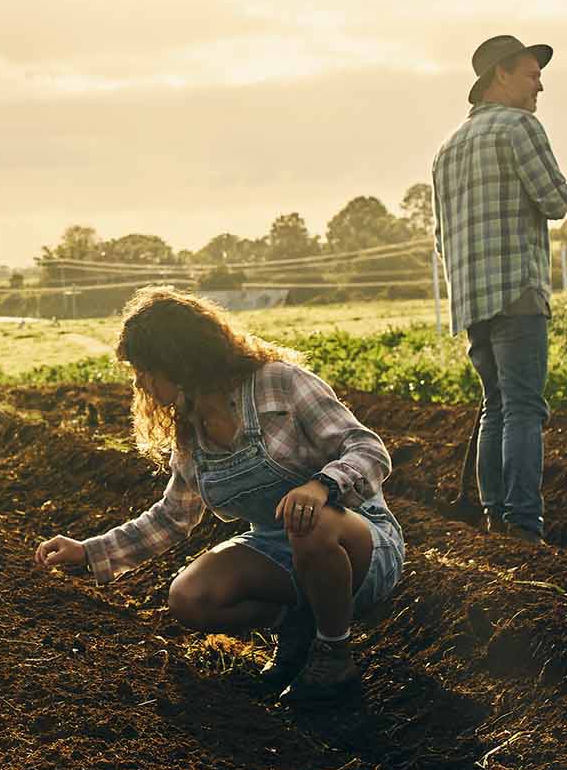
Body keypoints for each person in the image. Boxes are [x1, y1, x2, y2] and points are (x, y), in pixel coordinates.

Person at [32, 287, 405, 704]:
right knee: (190, 597)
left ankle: (334, 655)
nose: (139, 381)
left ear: (177, 359)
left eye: (144, 368)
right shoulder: (191, 431)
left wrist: (321, 486)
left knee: (310, 521)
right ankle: (299, 627)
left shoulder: (278, 384)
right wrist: (88, 552)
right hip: (279, 549)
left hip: (359, 544)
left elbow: (368, 449)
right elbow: (171, 517)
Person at [432, 33, 567, 541]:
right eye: (533, 74)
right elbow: (556, 200)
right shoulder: (521, 128)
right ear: (501, 75)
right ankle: (523, 524)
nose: (540, 86)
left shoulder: (446, 149)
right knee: (524, 408)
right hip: (517, 290)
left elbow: (441, 237)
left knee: (496, 405)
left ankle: (496, 519)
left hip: (471, 299)